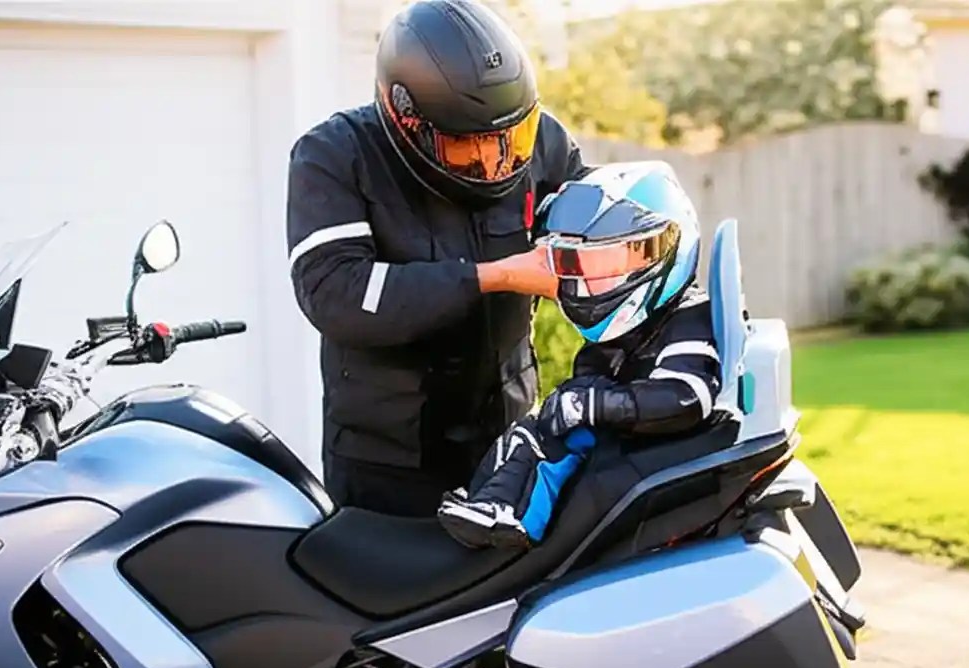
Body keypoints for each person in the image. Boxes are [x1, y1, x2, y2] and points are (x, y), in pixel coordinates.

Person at [285, 0, 590, 516]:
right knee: (387, 594)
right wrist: (495, 276)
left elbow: (599, 222)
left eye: (506, 141)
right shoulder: (333, 155)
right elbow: (335, 294)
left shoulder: (542, 141)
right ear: (406, 118)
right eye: (466, 147)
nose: (492, 162)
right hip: (386, 464)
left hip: (507, 440)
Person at [437, 162, 722, 549]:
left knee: (557, 425)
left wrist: (593, 404)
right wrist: (572, 406)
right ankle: (493, 507)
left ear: (668, 244)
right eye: (581, 266)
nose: (591, 284)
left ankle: (508, 515)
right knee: (532, 430)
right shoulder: (614, 339)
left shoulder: (688, 317)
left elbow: (687, 396)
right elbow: (587, 390)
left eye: (611, 263)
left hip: (656, 459)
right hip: (625, 447)